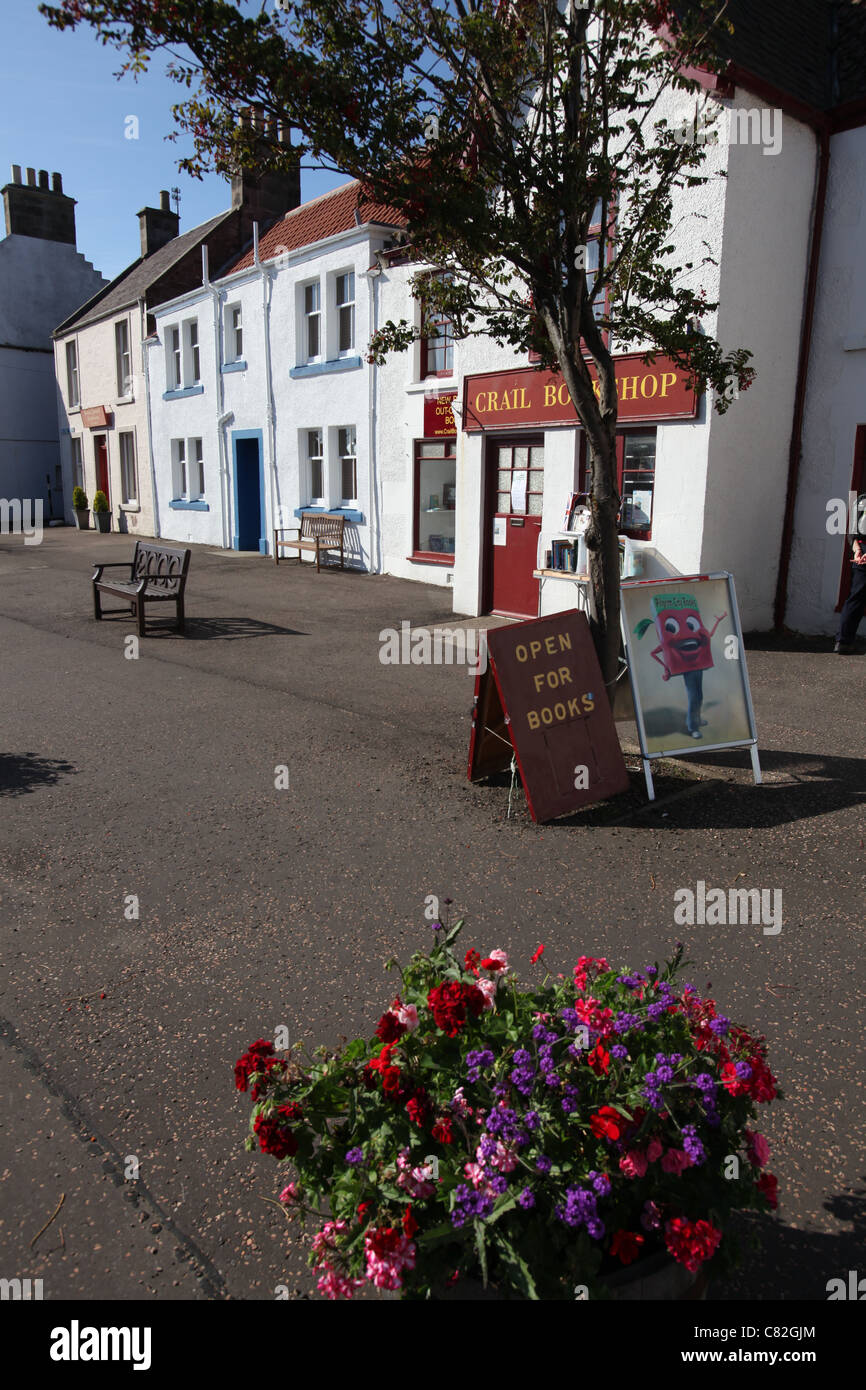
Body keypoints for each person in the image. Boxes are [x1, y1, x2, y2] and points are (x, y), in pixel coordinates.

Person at [835, 534, 866, 654]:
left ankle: (843, 642)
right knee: (857, 597)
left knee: (856, 597)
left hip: (861, 549)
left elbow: (851, 534)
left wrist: (857, 550)